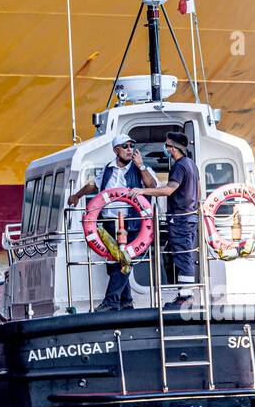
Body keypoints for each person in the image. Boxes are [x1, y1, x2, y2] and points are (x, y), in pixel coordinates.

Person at [66, 133, 157, 311]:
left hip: (131, 222)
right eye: (126, 146)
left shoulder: (140, 168)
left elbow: (151, 186)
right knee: (112, 264)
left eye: (132, 146)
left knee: (124, 261)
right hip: (109, 222)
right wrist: (77, 196)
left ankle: (111, 301)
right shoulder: (108, 169)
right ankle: (126, 301)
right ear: (116, 150)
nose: (130, 149)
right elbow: (94, 185)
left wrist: (141, 165)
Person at [138, 131, 201, 305]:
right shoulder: (192, 165)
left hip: (180, 219)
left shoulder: (179, 166)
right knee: (183, 255)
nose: (165, 148)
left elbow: (168, 190)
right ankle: (183, 294)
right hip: (189, 217)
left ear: (173, 148)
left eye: (167, 145)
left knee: (182, 256)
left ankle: (186, 297)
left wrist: (142, 191)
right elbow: (198, 190)